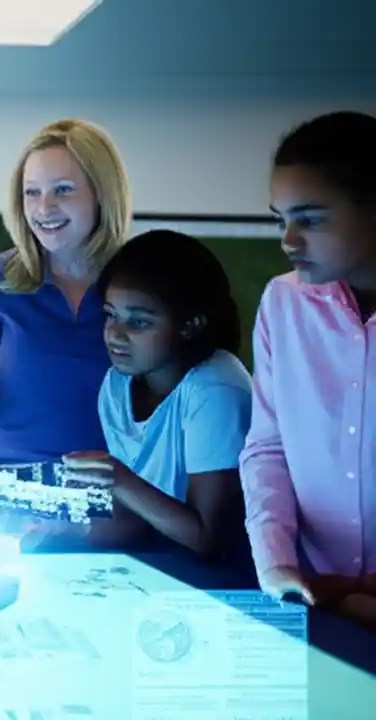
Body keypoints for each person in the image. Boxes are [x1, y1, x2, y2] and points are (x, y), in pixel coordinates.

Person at [27, 230, 252, 560]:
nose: (115, 334)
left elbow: (207, 537)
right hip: (156, 563)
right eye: (110, 315)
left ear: (190, 325)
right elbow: (135, 518)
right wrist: (60, 527)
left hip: (222, 576)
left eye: (139, 322)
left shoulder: (215, 389)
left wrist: (117, 478)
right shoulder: (117, 384)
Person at [242, 111, 376, 627]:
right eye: (281, 219)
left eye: (311, 219)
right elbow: (267, 446)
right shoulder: (282, 304)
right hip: (314, 597)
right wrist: (275, 563)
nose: (288, 241)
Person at [0, 119, 131, 465]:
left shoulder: (140, 281)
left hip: (116, 490)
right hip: (13, 490)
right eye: (32, 192)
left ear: (102, 194)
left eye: (63, 189)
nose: (43, 208)